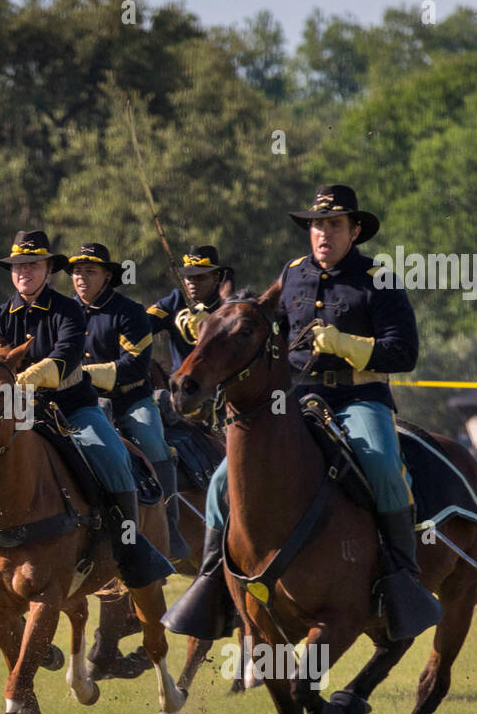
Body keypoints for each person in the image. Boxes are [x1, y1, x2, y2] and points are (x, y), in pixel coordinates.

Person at [163, 185, 443, 643]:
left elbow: (404, 352)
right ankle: (214, 582)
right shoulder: (293, 273)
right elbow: (256, 316)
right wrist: (210, 323)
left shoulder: (379, 278)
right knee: (219, 482)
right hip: (295, 400)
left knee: (384, 467)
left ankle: (401, 581)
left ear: (354, 231)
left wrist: (346, 345)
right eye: (317, 226)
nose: (323, 234)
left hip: (358, 400)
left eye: (334, 225)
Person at [0, 229, 173, 598]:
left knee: (113, 456)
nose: (24, 271)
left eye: (33, 264)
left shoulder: (69, 310)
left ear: (47, 268)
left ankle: (129, 548)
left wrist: (36, 373)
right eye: (18, 266)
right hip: (15, 415)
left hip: (73, 410)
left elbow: (67, 355)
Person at [70, 242, 189, 561]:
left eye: (90, 271)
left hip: (129, 399)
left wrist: (82, 374)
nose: (81, 278)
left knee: (151, 440)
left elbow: (135, 364)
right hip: (79, 403)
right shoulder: (63, 312)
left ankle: (170, 525)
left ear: (108, 275)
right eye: (77, 272)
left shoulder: (130, 311)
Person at [147, 245, 235, 374]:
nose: (192, 282)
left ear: (216, 277)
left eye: (200, 277)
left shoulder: (229, 306)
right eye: (188, 277)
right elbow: (142, 324)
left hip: (219, 383)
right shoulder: (175, 301)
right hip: (181, 384)